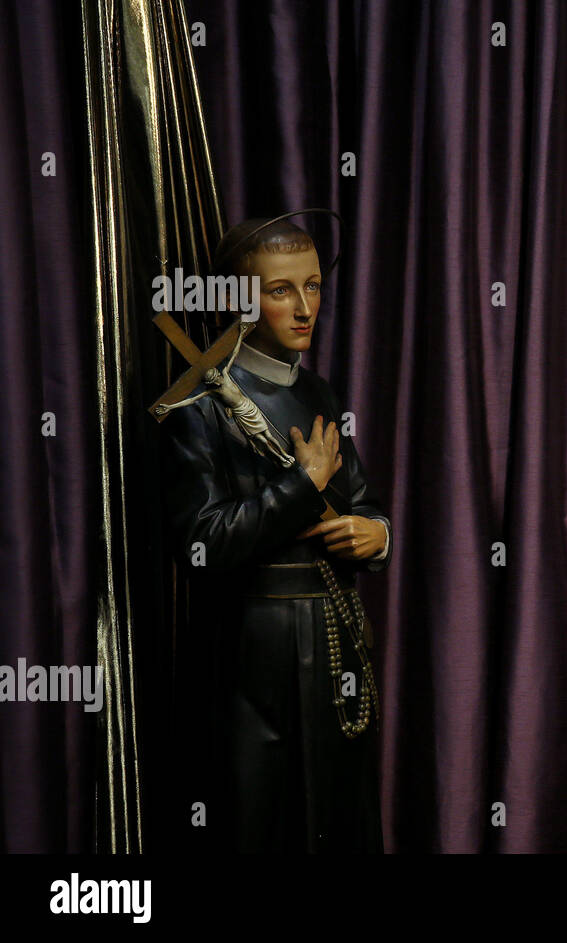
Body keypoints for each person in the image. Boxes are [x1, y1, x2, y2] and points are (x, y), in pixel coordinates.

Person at [159, 216, 390, 852]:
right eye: (282, 290)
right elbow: (202, 545)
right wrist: (299, 488)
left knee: (338, 816)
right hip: (249, 649)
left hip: (337, 634)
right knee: (259, 816)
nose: (305, 306)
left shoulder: (318, 391)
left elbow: (363, 500)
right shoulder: (199, 406)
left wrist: (377, 534)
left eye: (313, 286)